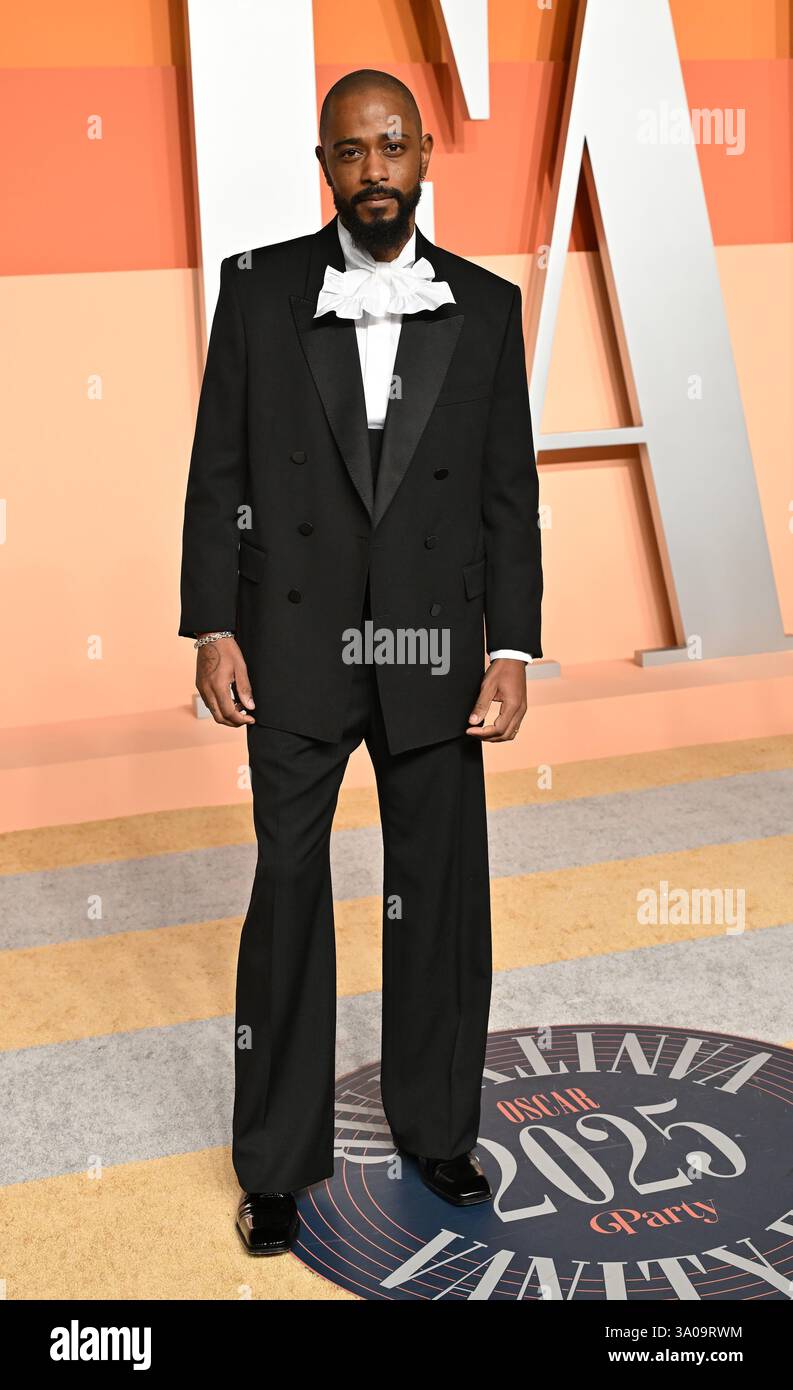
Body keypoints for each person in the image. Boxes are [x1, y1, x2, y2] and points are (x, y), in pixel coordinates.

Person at [179, 69, 543, 1256]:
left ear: (426, 153)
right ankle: (277, 1163)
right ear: (323, 162)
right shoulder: (256, 289)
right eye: (351, 150)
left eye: (394, 146)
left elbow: (506, 497)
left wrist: (513, 647)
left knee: (438, 896)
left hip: (436, 648)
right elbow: (216, 470)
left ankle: (437, 1130)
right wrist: (212, 624)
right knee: (288, 894)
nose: (374, 168)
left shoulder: (487, 307)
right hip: (291, 640)